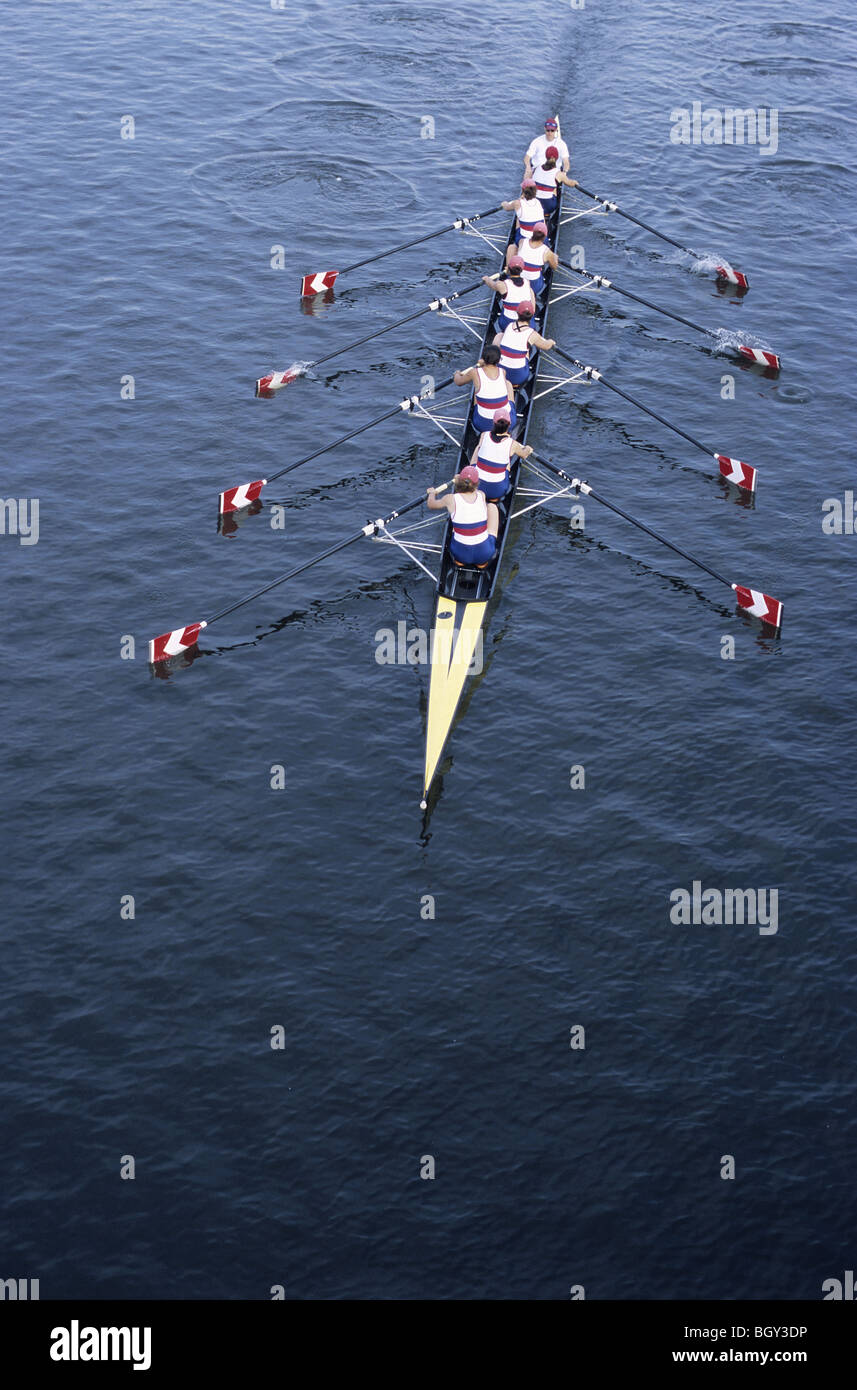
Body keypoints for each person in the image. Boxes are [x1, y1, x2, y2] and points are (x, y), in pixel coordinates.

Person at [427, 467, 499, 568]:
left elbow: (431, 504)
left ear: (460, 482)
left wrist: (432, 493)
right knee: (492, 507)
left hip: (460, 554)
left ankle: (459, 562)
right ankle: (481, 564)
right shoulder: (482, 495)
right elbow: (471, 489)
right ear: (477, 482)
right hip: (484, 554)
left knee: (456, 521)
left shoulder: (450, 499)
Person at [468, 411, 533, 502]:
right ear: (509, 424)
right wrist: (529, 449)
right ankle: (494, 500)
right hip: (496, 490)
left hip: (476, 485)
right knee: (507, 462)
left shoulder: (484, 435)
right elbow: (524, 455)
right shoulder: (512, 444)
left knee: (478, 448)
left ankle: (471, 469)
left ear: (494, 423)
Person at [454, 344, 517, 433]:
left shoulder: (474, 372)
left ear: (483, 358)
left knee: (477, 389)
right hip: (507, 423)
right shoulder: (502, 371)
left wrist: (456, 373)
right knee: (508, 384)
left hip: (483, 424)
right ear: (499, 360)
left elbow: (458, 382)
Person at [493, 305, 555, 386]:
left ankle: (492, 363)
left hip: (500, 373)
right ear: (532, 315)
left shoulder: (509, 325)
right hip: (518, 377)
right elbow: (546, 346)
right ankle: (514, 384)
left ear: (517, 313)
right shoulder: (532, 334)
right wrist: (551, 342)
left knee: (499, 336)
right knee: (526, 350)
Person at [483, 255, 535, 331]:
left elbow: (491, 284)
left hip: (507, 323)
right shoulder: (527, 282)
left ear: (508, 268)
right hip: (527, 324)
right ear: (522, 269)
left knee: (505, 308)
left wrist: (486, 279)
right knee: (531, 293)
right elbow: (532, 308)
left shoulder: (501, 285)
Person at [513, 222, 558, 296]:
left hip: (517, 281)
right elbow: (554, 267)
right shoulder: (547, 251)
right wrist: (555, 257)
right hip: (534, 286)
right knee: (540, 269)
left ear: (532, 232)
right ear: (545, 236)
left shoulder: (522, 241)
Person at [531, 147, 578, 214]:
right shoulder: (558, 173)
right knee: (554, 188)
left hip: (534, 204)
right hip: (549, 206)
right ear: (557, 158)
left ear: (546, 156)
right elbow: (570, 183)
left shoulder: (536, 168)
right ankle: (548, 213)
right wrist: (575, 183)